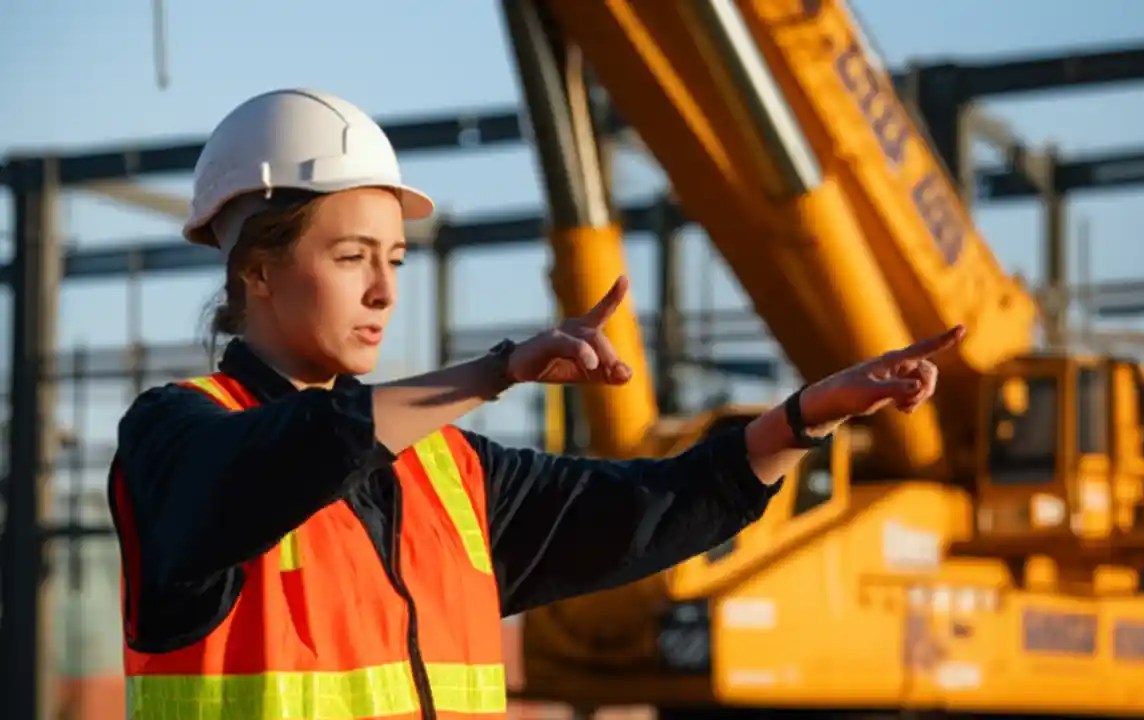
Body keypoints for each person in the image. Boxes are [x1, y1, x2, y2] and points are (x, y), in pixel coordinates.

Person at [107, 88, 964, 720]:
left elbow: (652, 506)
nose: (383, 292)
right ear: (257, 270)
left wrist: (806, 416)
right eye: (350, 257)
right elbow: (300, 452)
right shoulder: (175, 439)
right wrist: (495, 373)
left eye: (395, 260)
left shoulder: (448, 472)